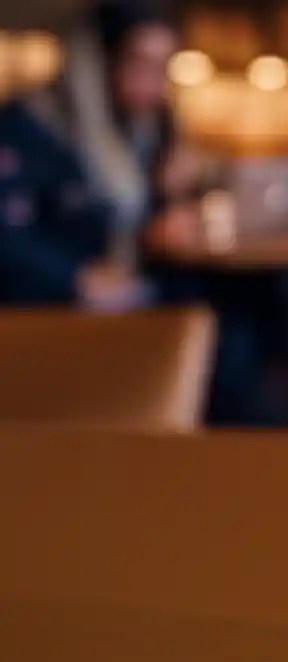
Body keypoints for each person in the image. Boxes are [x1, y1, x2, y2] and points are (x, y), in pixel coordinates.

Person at [0, 1, 271, 424]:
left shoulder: (147, 133)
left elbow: (142, 225)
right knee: (228, 352)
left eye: (163, 67)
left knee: (249, 315)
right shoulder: (28, 127)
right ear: (97, 64)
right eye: (140, 64)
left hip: (140, 294)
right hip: (56, 317)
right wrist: (74, 278)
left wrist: (172, 206)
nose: (154, 84)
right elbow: (10, 240)